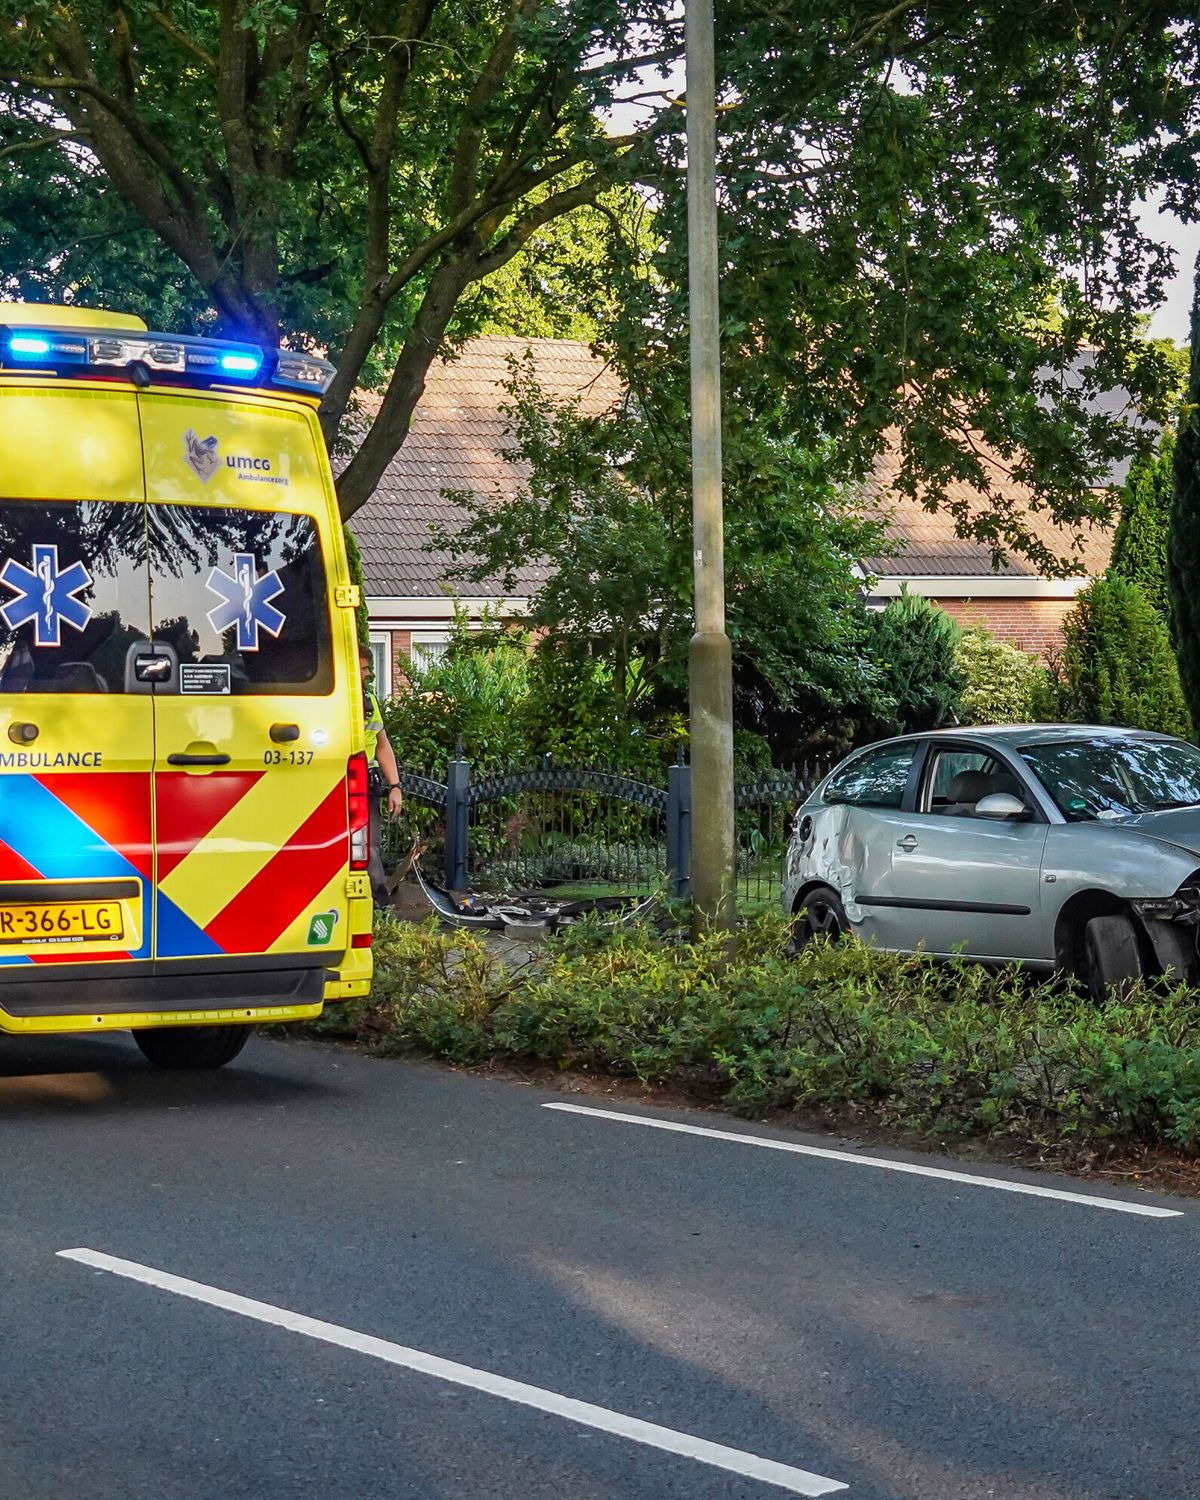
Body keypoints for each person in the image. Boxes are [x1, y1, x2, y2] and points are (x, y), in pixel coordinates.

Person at [359, 643, 403, 905]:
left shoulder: (370, 702)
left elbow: (382, 744)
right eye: (363, 669)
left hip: (364, 783)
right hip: (333, 784)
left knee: (370, 848)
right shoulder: (329, 702)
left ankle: (379, 904)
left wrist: (395, 786)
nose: (368, 674)